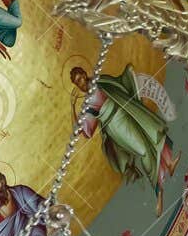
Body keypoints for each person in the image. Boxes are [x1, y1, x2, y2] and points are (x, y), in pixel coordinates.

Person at [72, 66, 180, 214]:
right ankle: (158, 190)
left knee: (150, 132)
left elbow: (118, 84)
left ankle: (169, 163)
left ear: (85, 74)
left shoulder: (100, 81)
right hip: (115, 125)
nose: (80, 83)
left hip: (126, 110)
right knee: (143, 151)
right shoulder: (87, 104)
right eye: (77, 82)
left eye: (80, 78)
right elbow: (87, 132)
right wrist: (73, 108)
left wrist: (127, 75)